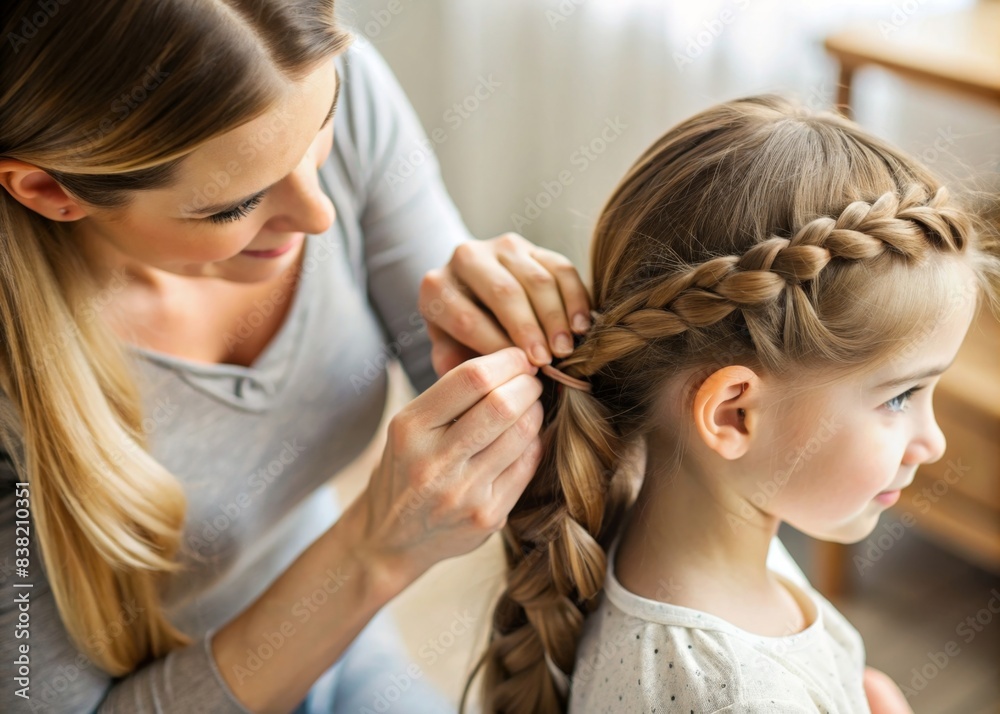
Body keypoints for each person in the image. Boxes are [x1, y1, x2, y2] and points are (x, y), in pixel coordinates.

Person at [0, 2, 595, 712]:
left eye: (323, 132)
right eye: (234, 205)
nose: (319, 216)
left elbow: (466, 366)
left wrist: (507, 323)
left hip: (341, 648)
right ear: (50, 192)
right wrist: (373, 551)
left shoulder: (305, 85)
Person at [470, 94, 1000, 712]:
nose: (932, 441)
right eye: (901, 396)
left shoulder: (677, 533)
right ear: (733, 414)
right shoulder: (732, 693)